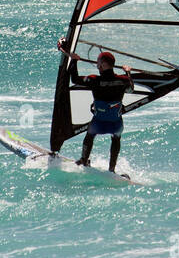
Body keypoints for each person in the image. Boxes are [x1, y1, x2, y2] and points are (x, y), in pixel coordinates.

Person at [57, 38, 134, 174]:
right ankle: (111, 169)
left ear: (103, 65)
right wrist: (128, 72)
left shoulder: (94, 80)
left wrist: (74, 60)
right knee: (116, 139)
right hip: (116, 124)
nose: (97, 66)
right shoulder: (123, 80)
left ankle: (84, 159)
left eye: (98, 63)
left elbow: (74, 79)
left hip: (98, 123)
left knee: (89, 135)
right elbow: (131, 89)